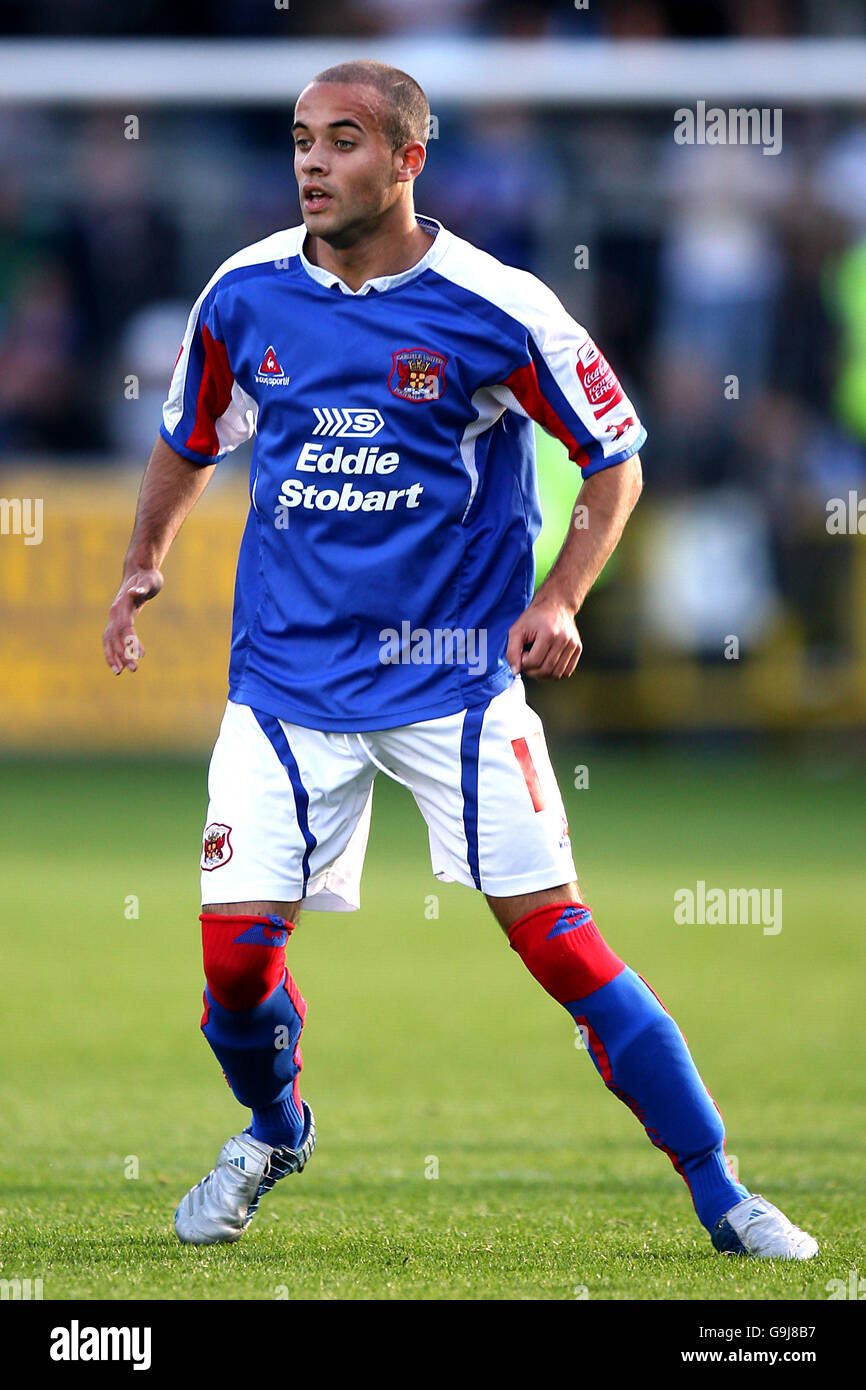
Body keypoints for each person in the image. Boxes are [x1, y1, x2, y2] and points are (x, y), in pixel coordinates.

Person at [103, 60, 818, 1260]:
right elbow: (188, 437)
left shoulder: (497, 305)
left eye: (340, 141)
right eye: (298, 141)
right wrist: (142, 562)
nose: (312, 164)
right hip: (287, 682)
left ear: (405, 160)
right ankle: (274, 1129)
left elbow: (615, 457)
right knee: (232, 967)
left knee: (559, 941)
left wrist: (562, 596)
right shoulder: (243, 293)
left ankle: (722, 1193)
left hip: (453, 682)